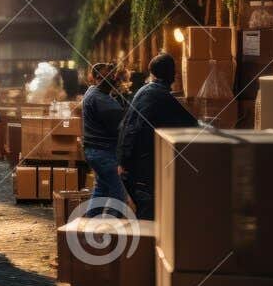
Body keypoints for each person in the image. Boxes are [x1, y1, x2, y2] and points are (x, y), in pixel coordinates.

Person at [117, 53, 198, 220]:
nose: (176, 75)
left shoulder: (144, 91)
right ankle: (145, 246)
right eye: (174, 71)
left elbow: (126, 126)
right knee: (149, 219)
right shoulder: (160, 95)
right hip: (142, 170)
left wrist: (123, 161)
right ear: (170, 74)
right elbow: (191, 124)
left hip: (132, 167)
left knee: (146, 215)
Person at [80, 62, 127, 216]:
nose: (113, 78)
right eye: (109, 75)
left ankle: (88, 225)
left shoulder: (93, 93)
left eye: (113, 74)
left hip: (95, 152)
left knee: (102, 190)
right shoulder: (101, 99)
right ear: (97, 78)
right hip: (103, 153)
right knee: (119, 195)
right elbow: (120, 124)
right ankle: (111, 231)